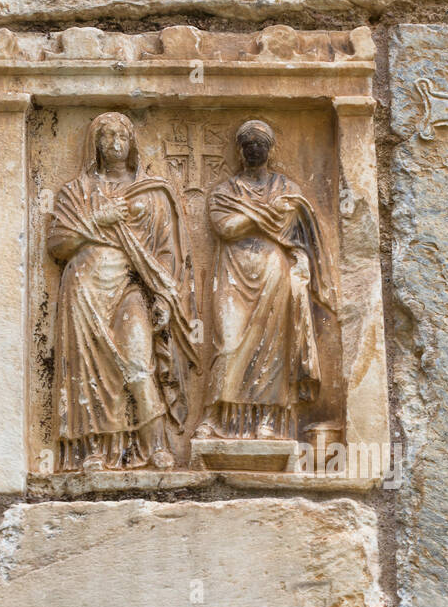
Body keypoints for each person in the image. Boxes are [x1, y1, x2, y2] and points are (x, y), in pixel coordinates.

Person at [48, 112, 200, 471]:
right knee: (88, 372)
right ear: (95, 144)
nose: (115, 143)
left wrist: (163, 296)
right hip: (84, 289)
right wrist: (97, 221)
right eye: (107, 136)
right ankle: (94, 452)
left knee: (137, 362)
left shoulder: (153, 193)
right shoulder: (77, 191)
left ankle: (155, 445)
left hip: (132, 287)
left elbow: (166, 253)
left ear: (132, 143)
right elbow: (57, 242)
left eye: (122, 136)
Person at [195, 119, 334, 442]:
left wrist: (251, 217)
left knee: (271, 349)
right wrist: (262, 214)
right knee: (227, 344)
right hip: (233, 273)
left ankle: (267, 421)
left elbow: (290, 224)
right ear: (240, 152)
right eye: (248, 144)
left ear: (270, 150)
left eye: (261, 144)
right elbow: (225, 227)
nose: (255, 149)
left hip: (274, 271)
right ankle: (214, 417)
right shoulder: (225, 191)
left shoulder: (288, 190)